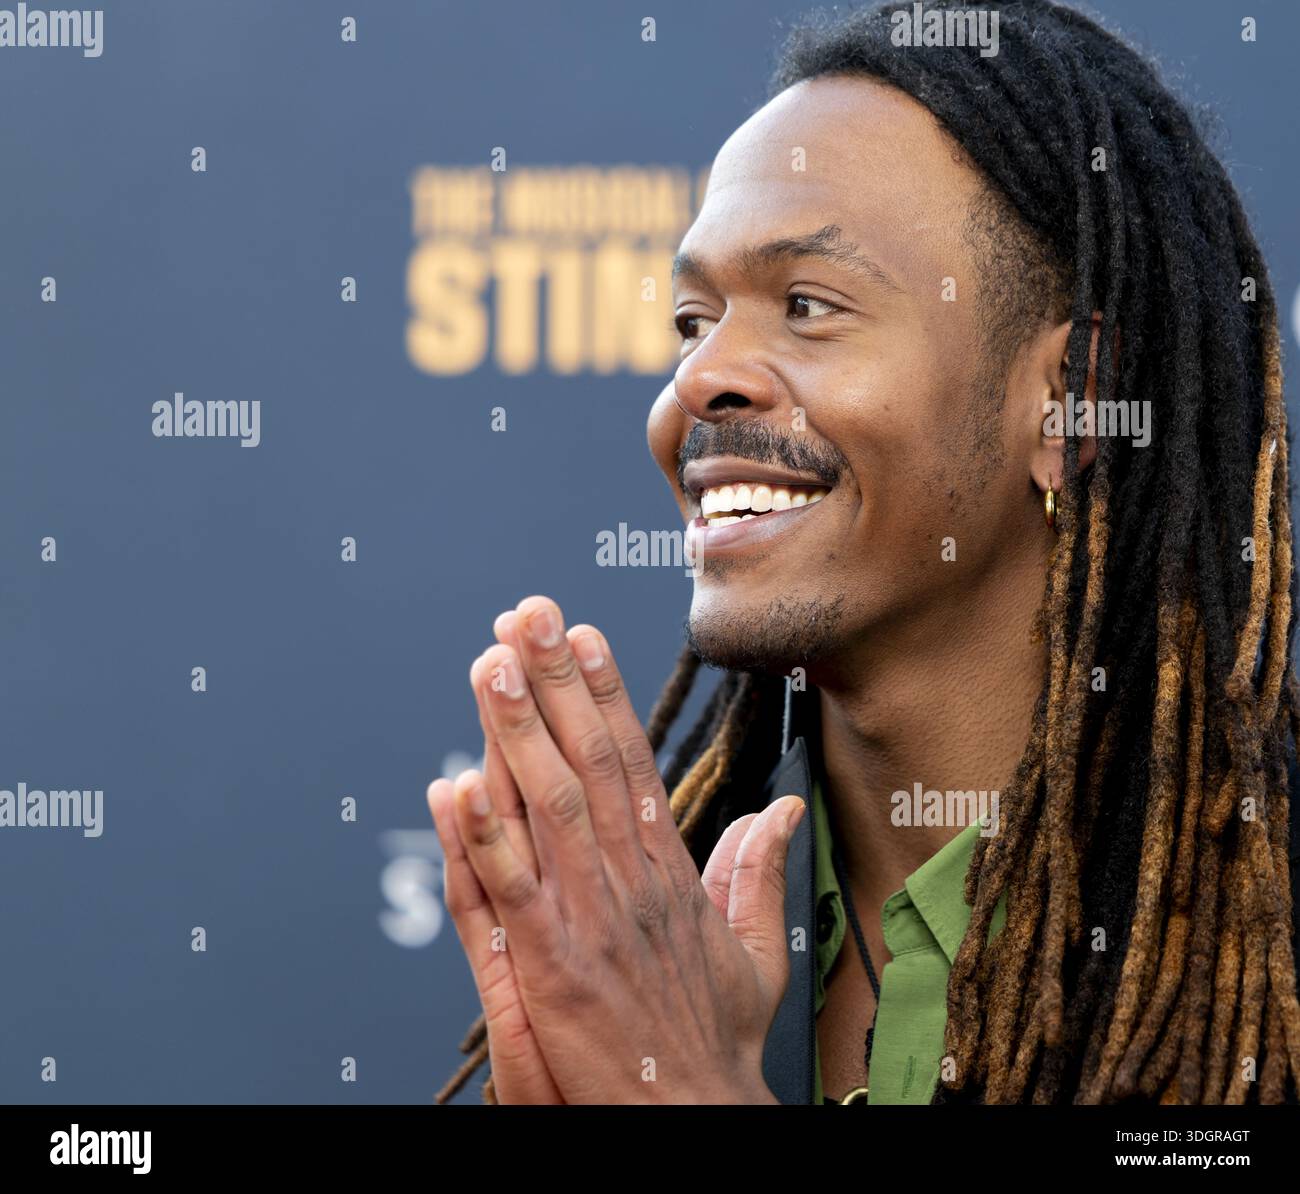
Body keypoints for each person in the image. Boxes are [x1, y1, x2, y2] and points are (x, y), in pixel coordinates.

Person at [428, 0, 1300, 1104]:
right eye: (692, 320)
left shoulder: (1255, 962)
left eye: (806, 305)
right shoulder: (648, 961)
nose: (698, 381)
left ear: (1072, 401)